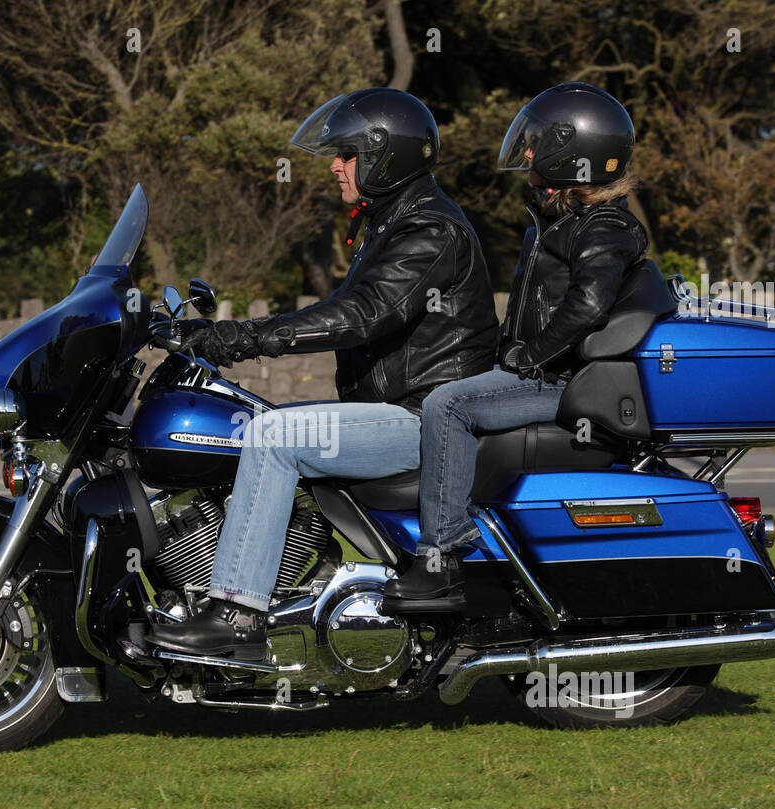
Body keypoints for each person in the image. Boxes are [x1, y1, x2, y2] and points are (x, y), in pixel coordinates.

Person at [149, 87, 498, 658]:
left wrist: (244, 337)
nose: (335, 165)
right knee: (258, 423)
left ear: (386, 155)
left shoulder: (430, 231)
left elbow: (362, 315)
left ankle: (237, 615)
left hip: (423, 419)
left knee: (272, 435)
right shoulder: (389, 223)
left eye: (347, 153)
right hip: (398, 410)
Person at [383, 82, 650, 610]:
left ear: (572, 153)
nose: (526, 152)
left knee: (449, 404)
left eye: (538, 143)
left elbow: (589, 303)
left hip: (564, 381)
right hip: (547, 373)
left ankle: (442, 557)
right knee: (443, 392)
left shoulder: (604, 225)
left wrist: (533, 355)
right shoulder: (558, 222)